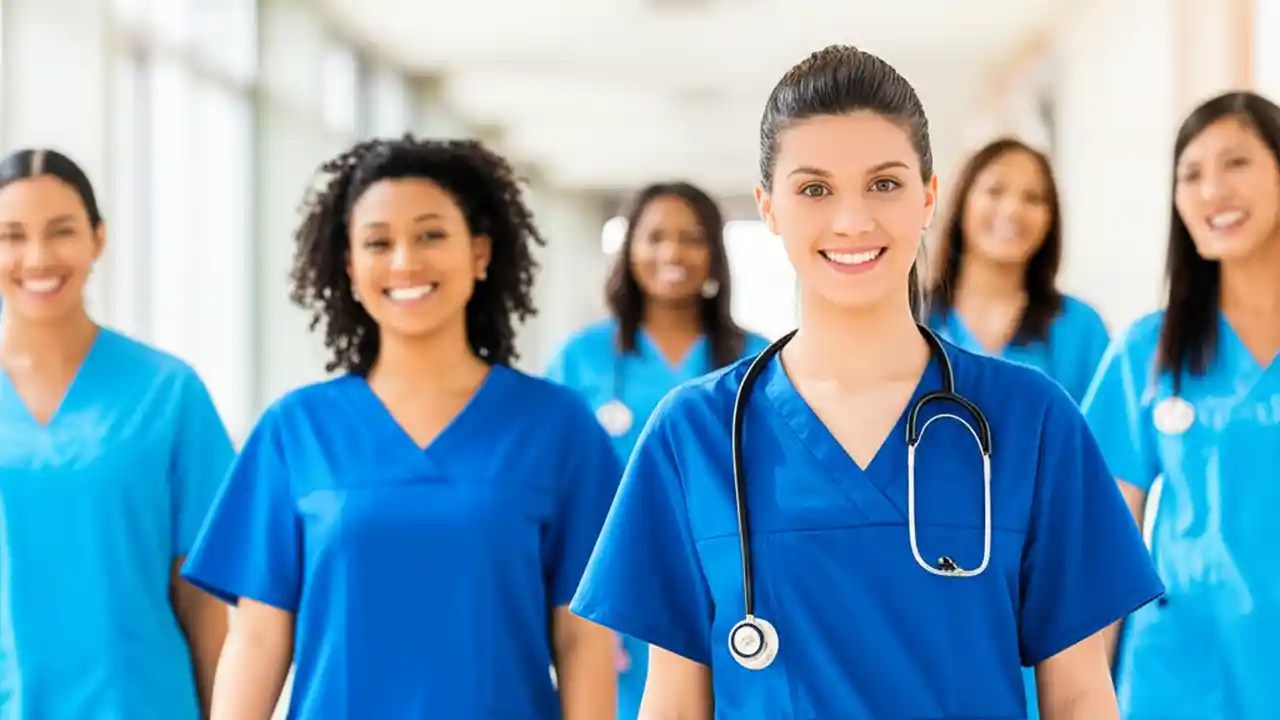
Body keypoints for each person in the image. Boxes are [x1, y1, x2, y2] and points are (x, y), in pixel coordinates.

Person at [569, 45, 1164, 719]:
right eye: (814, 189)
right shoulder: (696, 435)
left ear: (929, 197)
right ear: (768, 207)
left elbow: (1082, 695)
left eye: (884, 183)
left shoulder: (1031, 421)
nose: (852, 220)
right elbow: (673, 705)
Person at [181, 136, 620, 719]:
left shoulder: (559, 428)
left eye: (431, 234)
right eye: (378, 242)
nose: (405, 261)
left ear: (481, 252)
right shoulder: (296, 429)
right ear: (350, 266)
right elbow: (259, 639)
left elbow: (582, 640)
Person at [0, 148, 232, 719]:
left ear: (97, 239)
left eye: (61, 232)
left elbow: (205, 596)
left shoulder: (167, 393)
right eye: (11, 235)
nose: (37, 256)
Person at [1082, 90, 1280, 719]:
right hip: (1180, 671)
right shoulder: (1147, 349)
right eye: (1190, 174)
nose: (1211, 189)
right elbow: (1102, 543)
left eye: (1236, 163)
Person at [544, 181, 769, 719]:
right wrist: (580, 617)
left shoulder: (759, 360)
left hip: (728, 590)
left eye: (691, 238)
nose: (672, 253)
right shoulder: (582, 359)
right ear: (629, 252)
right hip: (613, 593)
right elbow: (555, 499)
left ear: (715, 253)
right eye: (656, 237)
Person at [927, 137, 1110, 404]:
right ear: (961, 201)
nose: (1013, 209)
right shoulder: (908, 317)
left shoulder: (1081, 329)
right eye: (995, 191)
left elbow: (1100, 439)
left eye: (1033, 198)